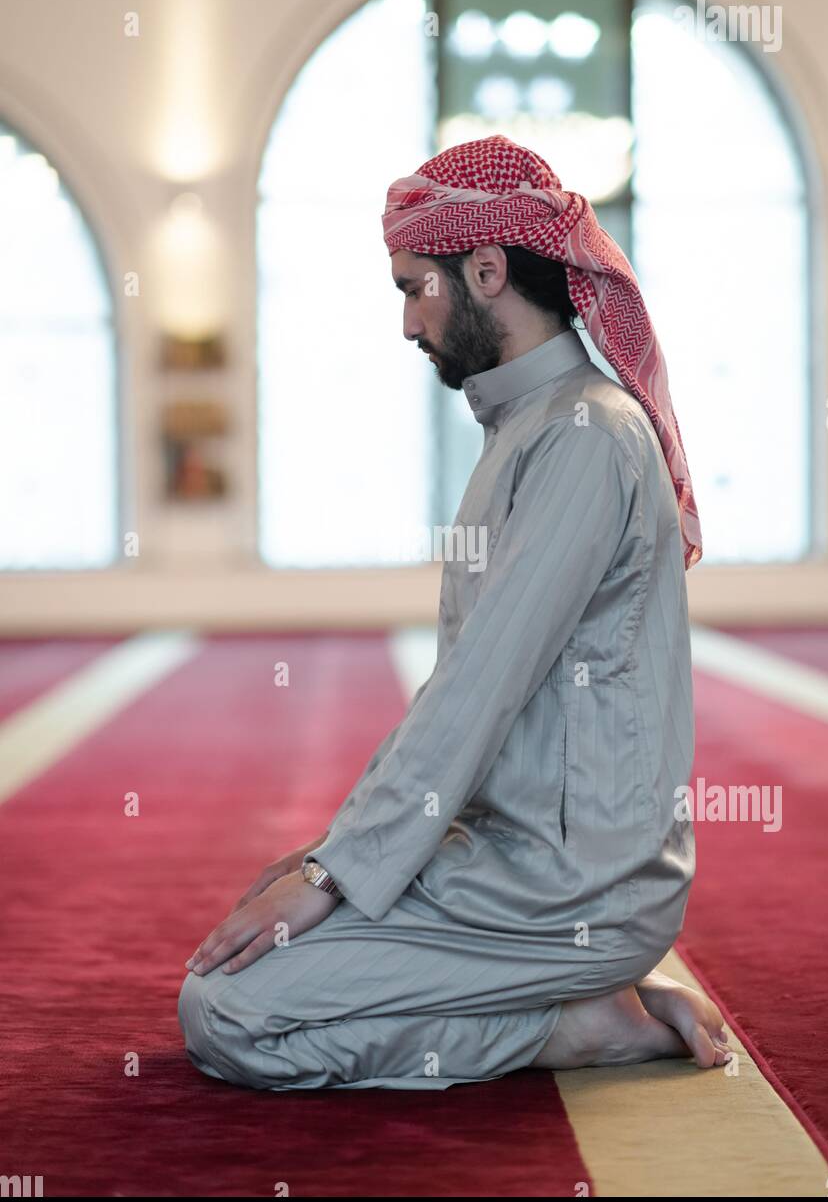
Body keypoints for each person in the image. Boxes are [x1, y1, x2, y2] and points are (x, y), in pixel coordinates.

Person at [177, 136, 731, 1091]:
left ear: (485, 269)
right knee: (258, 929)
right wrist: (327, 858)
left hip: (572, 885)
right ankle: (578, 1000)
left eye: (413, 288)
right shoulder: (531, 426)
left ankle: (574, 1024)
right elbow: (469, 686)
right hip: (507, 854)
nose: (406, 324)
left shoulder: (585, 437)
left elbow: (478, 687)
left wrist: (333, 879)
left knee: (232, 1012)